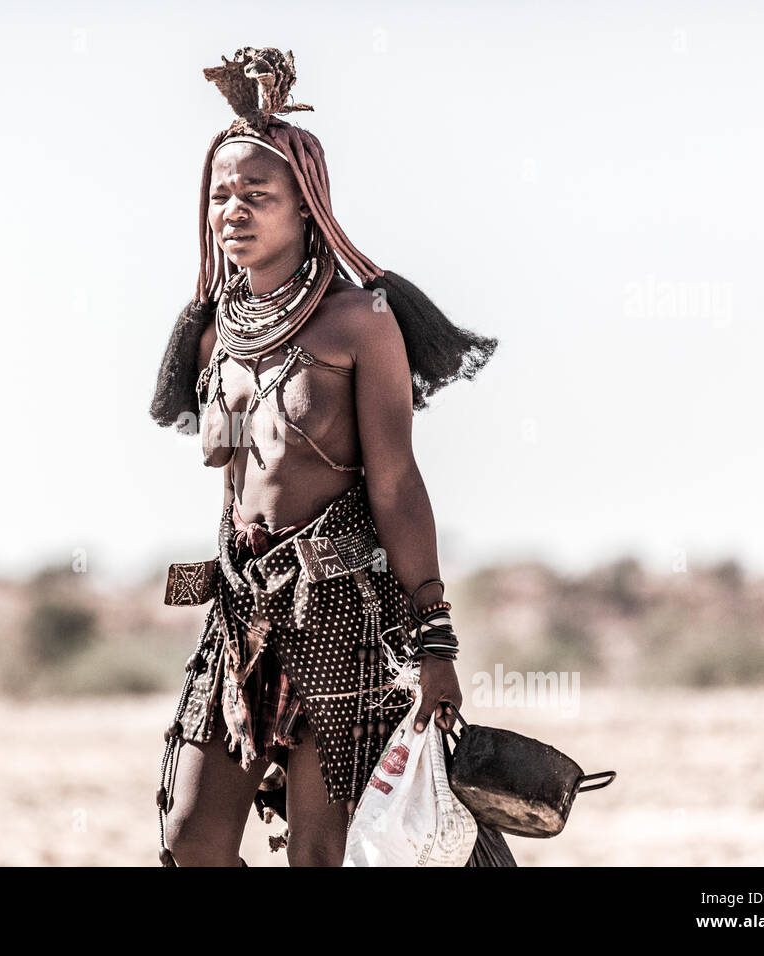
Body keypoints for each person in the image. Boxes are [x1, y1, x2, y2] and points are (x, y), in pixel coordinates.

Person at [149, 47, 509, 867]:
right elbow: (236, 476)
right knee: (190, 843)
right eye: (220, 195)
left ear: (306, 206)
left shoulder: (359, 323)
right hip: (242, 613)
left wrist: (435, 638)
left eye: (256, 195)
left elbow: (395, 481)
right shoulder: (212, 330)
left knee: (322, 856)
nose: (232, 211)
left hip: (345, 611)